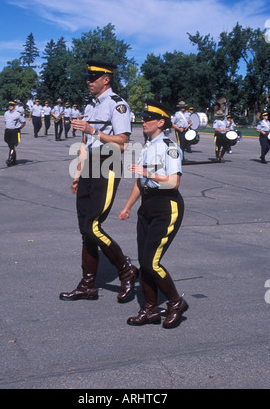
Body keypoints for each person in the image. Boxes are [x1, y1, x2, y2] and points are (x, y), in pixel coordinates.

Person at [59, 60, 138, 304]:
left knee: (93, 225)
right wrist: (77, 171)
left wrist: (95, 132)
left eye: (94, 76)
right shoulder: (90, 105)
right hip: (89, 167)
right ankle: (88, 285)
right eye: (88, 76)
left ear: (107, 79)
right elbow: (84, 143)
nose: (89, 80)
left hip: (108, 164)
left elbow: (122, 142)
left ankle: (126, 270)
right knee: (85, 230)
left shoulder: (118, 105)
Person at [119, 99, 188, 328]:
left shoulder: (169, 146)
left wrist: (150, 173)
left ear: (160, 122)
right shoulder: (147, 145)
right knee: (144, 261)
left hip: (166, 206)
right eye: (143, 117)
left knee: (152, 262)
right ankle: (149, 309)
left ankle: (176, 302)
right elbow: (140, 182)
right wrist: (128, 207)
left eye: (148, 118)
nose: (143, 121)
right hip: (147, 206)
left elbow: (174, 182)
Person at [4, 101, 26, 166]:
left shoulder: (18, 113)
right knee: (10, 145)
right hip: (7, 131)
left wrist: (18, 128)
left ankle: (10, 159)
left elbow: (23, 122)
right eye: (9, 105)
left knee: (13, 145)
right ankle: (14, 160)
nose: (10, 106)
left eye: (12, 105)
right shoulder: (6, 113)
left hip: (15, 131)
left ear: (14, 106)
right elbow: (5, 122)